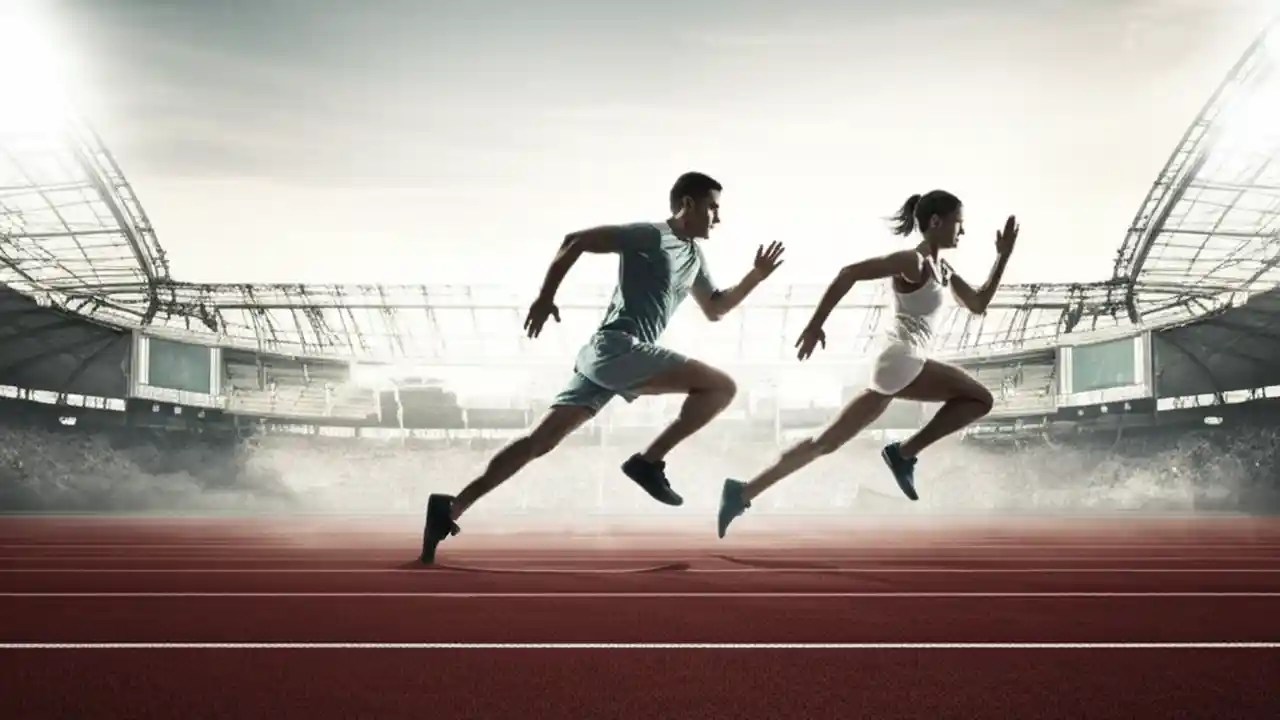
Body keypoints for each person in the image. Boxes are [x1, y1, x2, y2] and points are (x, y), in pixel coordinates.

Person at [421, 171, 786, 563]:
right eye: (713, 208)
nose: (718, 218)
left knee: (538, 442)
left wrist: (755, 277)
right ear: (689, 205)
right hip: (618, 348)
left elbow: (715, 308)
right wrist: (545, 298)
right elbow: (574, 241)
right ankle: (648, 462)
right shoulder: (650, 236)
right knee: (721, 388)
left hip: (608, 358)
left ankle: (452, 508)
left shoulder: (694, 257)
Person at [716, 190, 1016, 537]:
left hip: (896, 366)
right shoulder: (912, 262)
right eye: (958, 224)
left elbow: (978, 303)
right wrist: (816, 325)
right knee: (981, 399)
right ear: (936, 222)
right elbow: (849, 273)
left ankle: (742, 492)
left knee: (824, 443)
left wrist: (1002, 257)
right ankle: (904, 453)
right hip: (904, 359)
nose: (962, 233)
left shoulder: (943, 269)